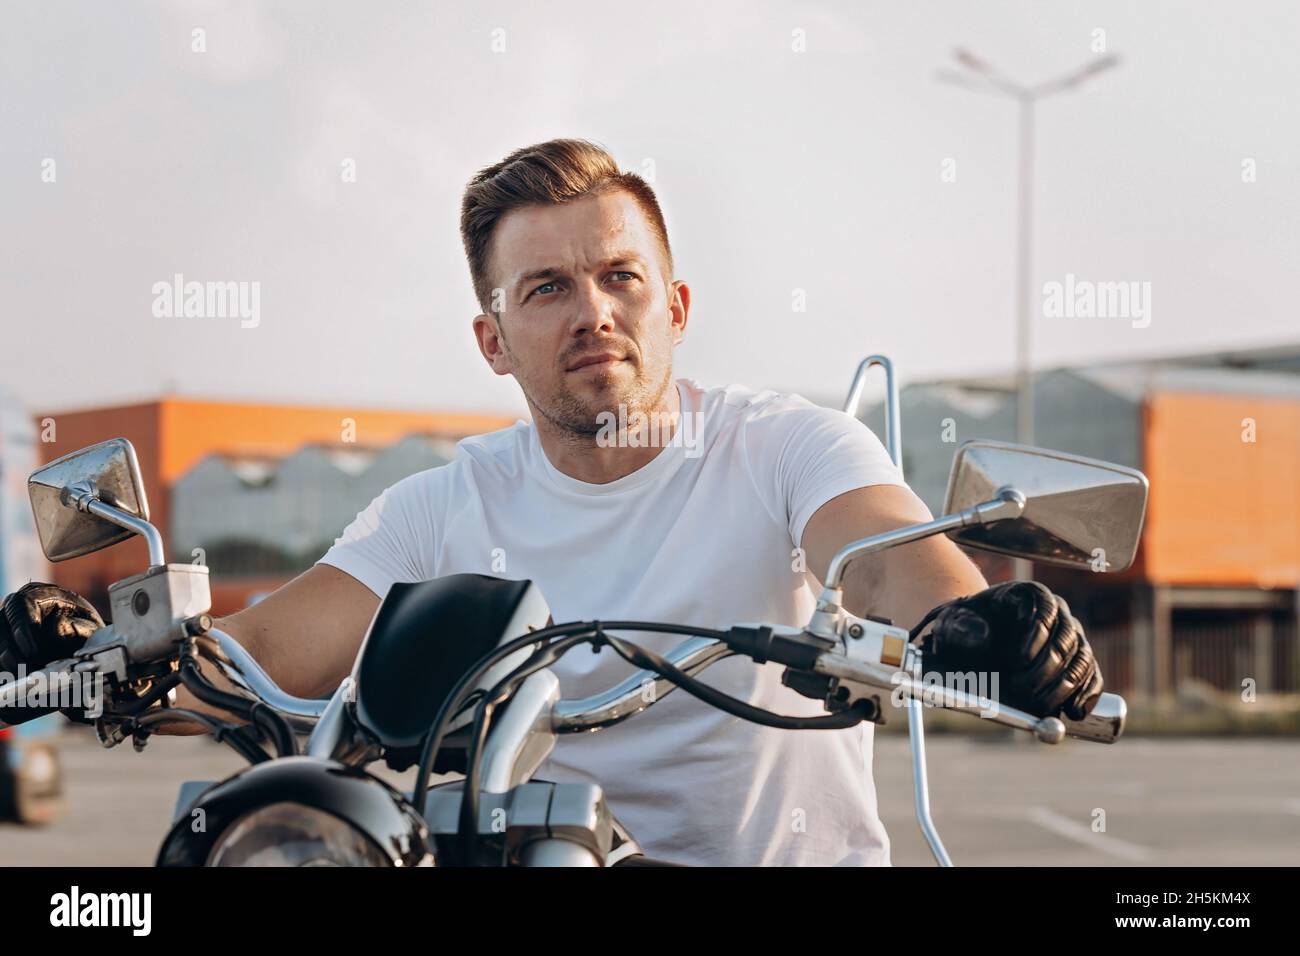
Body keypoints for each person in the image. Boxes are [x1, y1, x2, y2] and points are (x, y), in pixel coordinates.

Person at [1, 139, 1102, 866]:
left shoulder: (785, 444)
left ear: (673, 306)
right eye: (546, 288)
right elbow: (259, 654)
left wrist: (972, 623)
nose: (594, 311)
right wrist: (99, 652)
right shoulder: (443, 505)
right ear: (492, 340)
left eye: (620, 277)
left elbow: (885, 558)